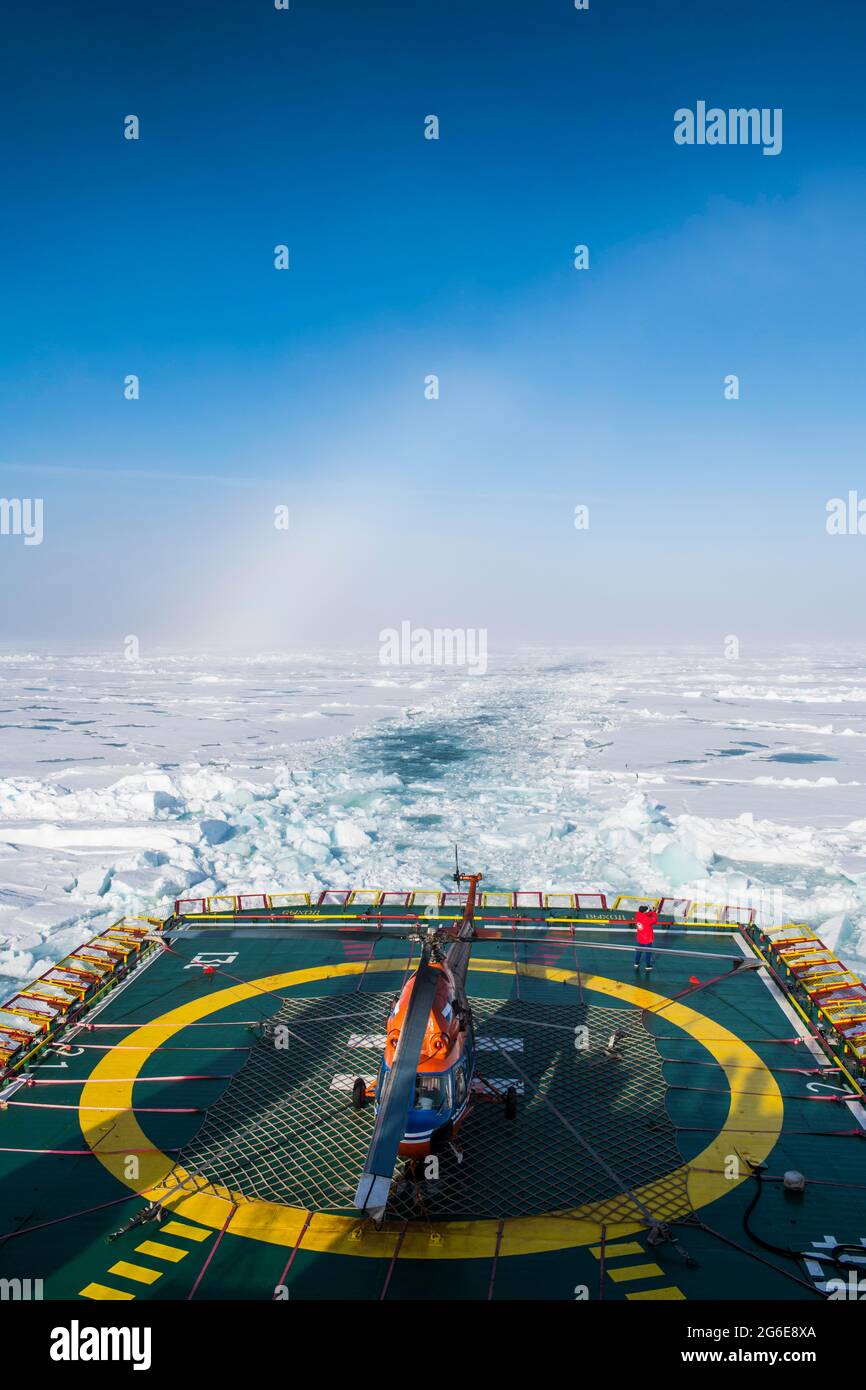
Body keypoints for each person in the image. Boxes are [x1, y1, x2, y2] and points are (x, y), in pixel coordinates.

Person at [634, 904, 658, 974]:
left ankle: (636, 963)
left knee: (639, 951)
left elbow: (646, 914)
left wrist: (650, 912)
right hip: (647, 939)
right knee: (648, 953)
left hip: (640, 937)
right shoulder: (646, 919)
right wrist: (654, 913)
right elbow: (655, 920)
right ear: (644, 912)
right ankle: (648, 965)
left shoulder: (638, 915)